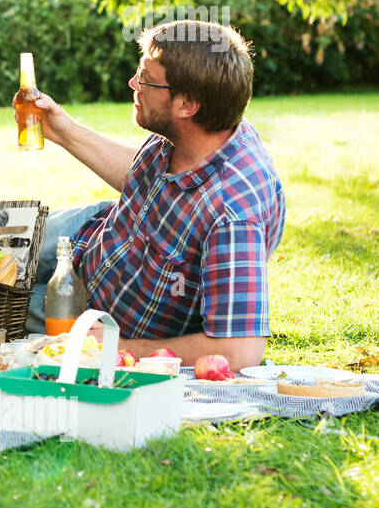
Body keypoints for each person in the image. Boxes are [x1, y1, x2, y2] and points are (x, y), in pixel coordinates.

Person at [19, 20, 285, 371]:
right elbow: (146, 176)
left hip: (91, 313)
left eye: (144, 78)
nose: (133, 84)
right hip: (92, 236)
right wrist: (63, 130)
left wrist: (115, 346)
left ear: (186, 104)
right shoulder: (203, 131)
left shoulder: (233, 214)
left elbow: (240, 352)